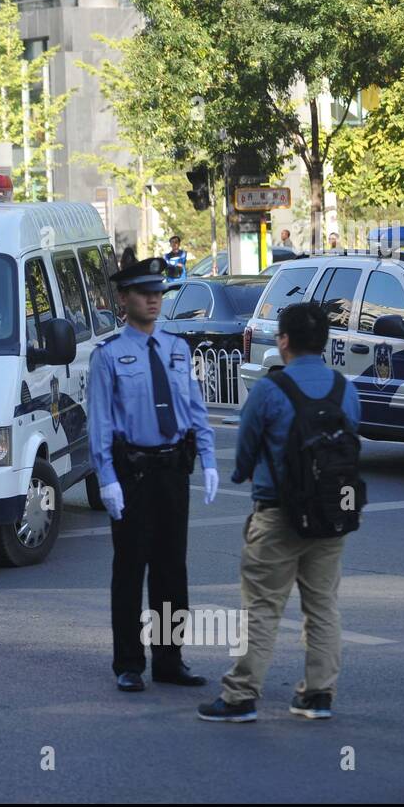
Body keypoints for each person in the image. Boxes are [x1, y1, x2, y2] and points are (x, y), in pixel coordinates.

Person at [198, 303, 361, 722]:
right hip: (331, 516)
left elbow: (247, 448)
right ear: (323, 340)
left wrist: (241, 474)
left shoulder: (271, 390)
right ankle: (318, 694)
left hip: (277, 515)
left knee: (263, 607)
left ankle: (241, 697)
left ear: (283, 340)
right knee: (323, 605)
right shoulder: (345, 389)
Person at [88, 258, 219, 693]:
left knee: (171, 570)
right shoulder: (107, 356)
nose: (153, 299)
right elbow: (101, 423)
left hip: (172, 470)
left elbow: (194, 408)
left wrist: (210, 457)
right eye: (144, 292)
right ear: (123, 299)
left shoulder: (178, 349)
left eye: (159, 292)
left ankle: (169, 658)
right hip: (133, 474)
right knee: (130, 570)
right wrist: (106, 477)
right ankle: (128, 662)